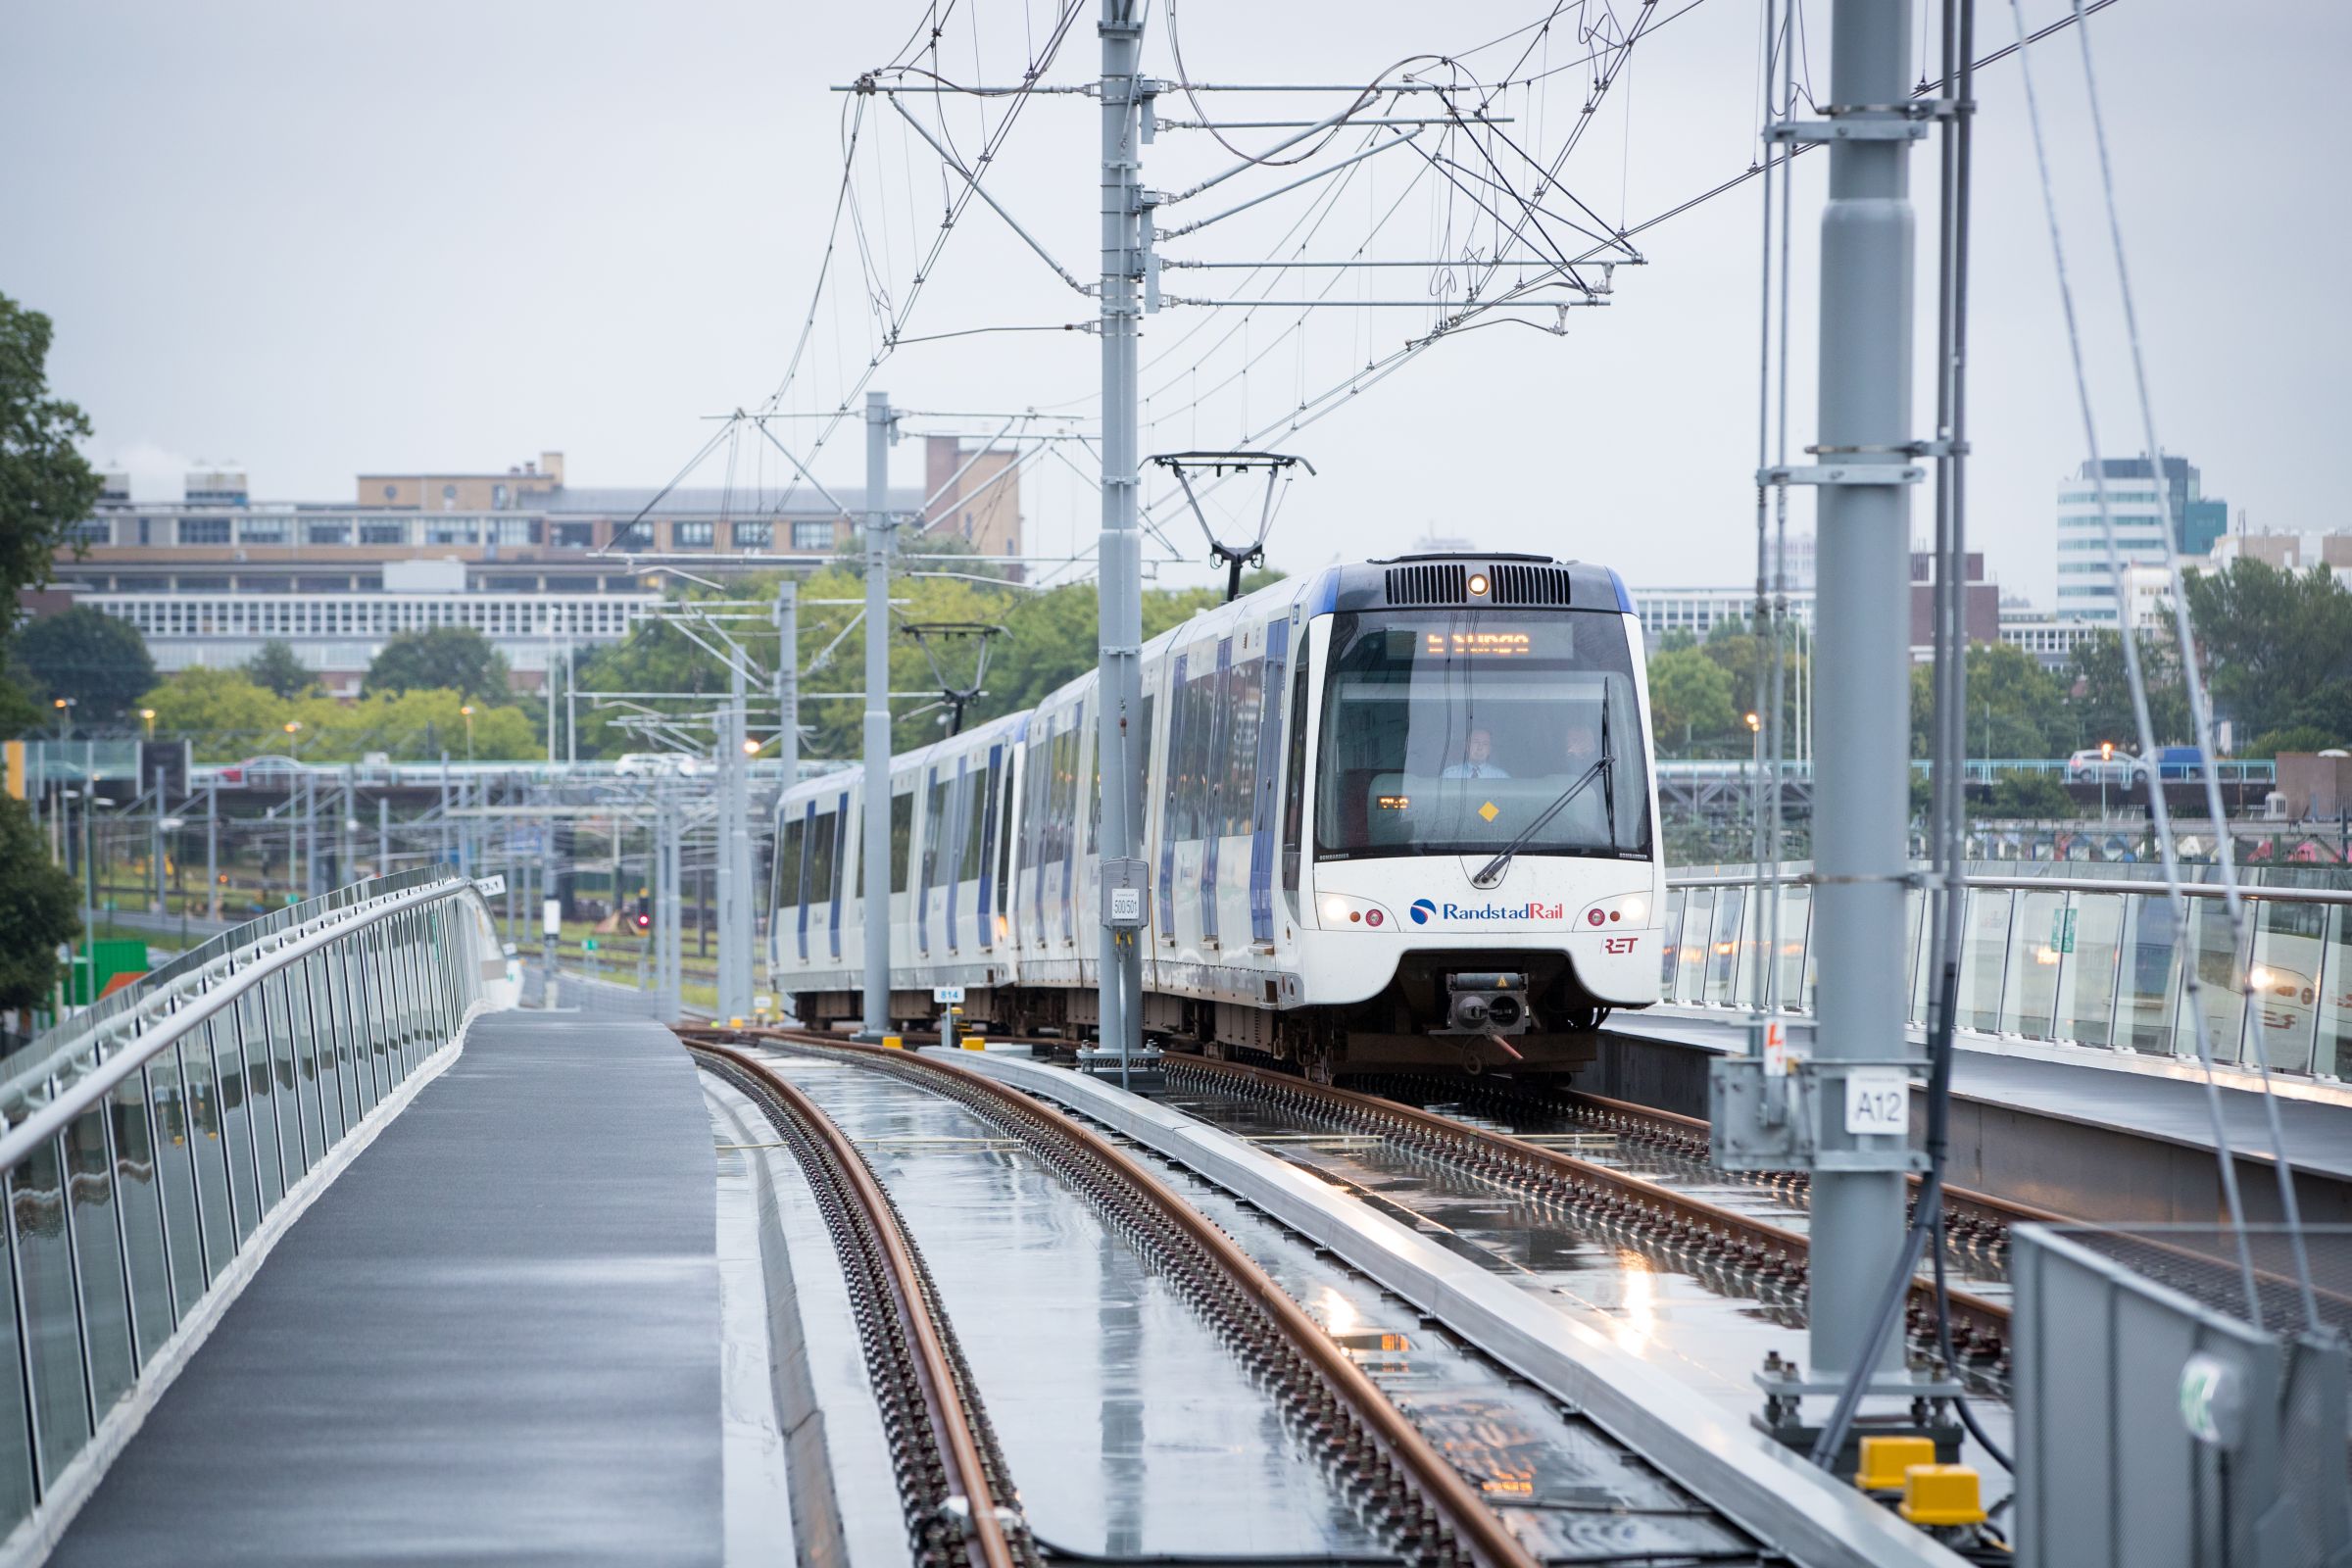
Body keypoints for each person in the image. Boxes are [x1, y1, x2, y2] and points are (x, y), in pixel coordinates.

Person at [1441, 726, 1509, 779]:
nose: (1480, 747)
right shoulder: (1449, 775)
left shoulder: (1501, 777)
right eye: (1476, 742)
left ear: (1489, 749)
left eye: (1485, 744)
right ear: (1467, 746)